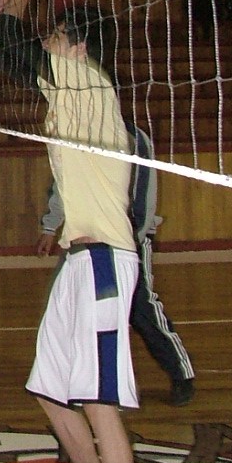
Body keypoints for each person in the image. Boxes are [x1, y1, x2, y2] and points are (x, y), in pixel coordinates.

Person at [0, 0, 157, 463]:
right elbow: (6, 35)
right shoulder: (75, 87)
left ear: (77, 46)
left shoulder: (81, 80)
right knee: (53, 392)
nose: (47, 42)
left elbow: (2, 27)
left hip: (106, 262)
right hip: (77, 261)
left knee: (100, 400)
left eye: (56, 34)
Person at [35, 125, 195, 406]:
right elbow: (63, 182)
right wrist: (51, 226)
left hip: (125, 239)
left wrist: (131, 238)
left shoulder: (130, 137)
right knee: (70, 302)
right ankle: (73, 378)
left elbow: (143, 191)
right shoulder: (74, 130)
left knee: (140, 308)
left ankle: (181, 374)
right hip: (82, 237)